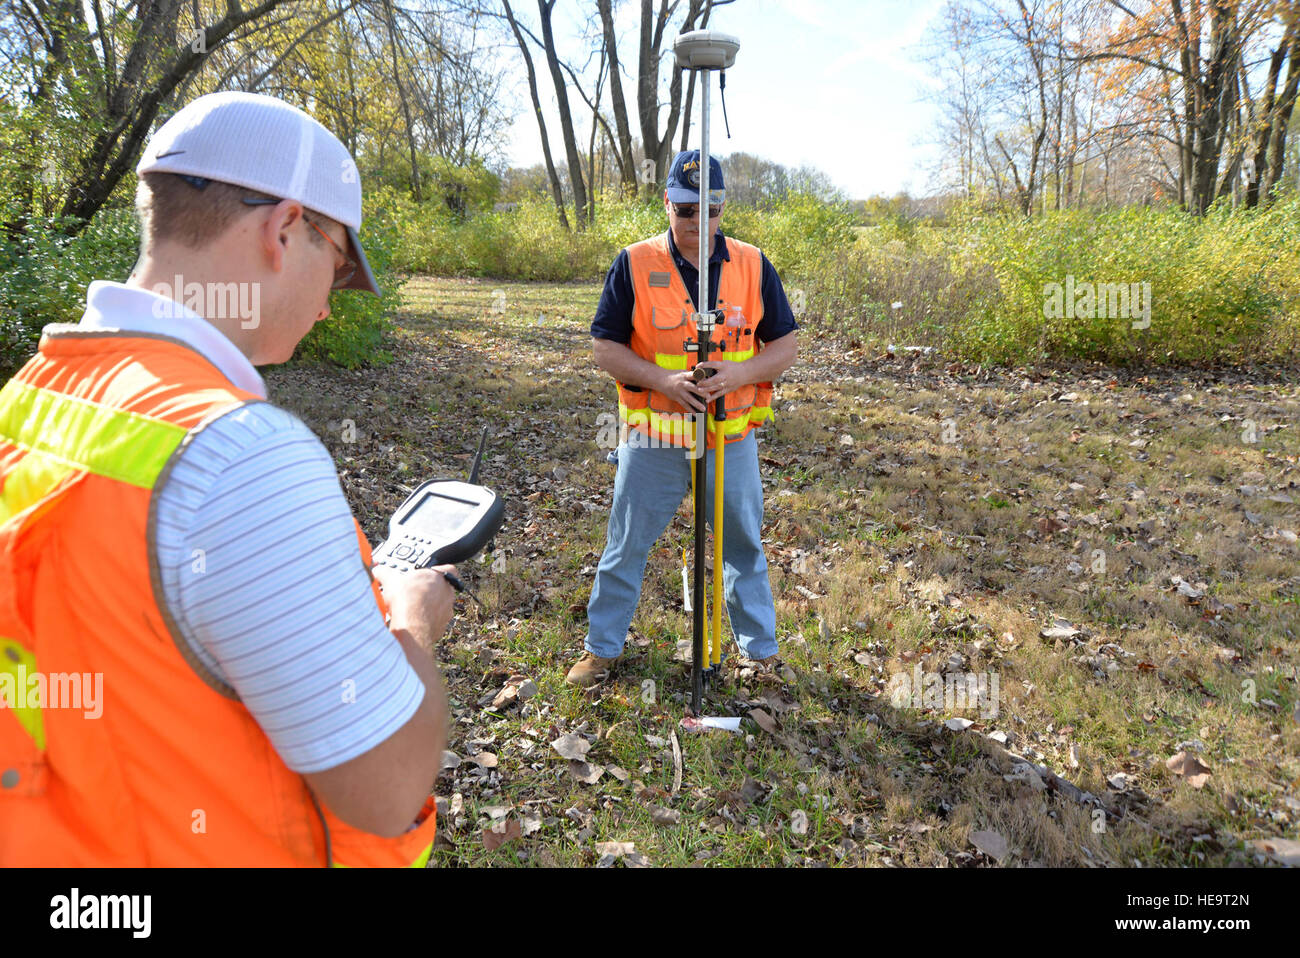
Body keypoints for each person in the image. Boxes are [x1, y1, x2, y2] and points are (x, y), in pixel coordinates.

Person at [0, 92, 455, 866]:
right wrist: (413, 625)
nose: (326, 309)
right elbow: (384, 790)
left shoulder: (34, 395)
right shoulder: (239, 454)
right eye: (340, 269)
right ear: (285, 229)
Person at [567, 150, 799, 688]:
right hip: (654, 440)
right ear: (667, 201)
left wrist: (738, 374)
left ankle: (760, 652)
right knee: (626, 542)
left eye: (712, 209)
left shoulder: (753, 263)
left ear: (723, 207)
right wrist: (663, 381)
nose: (699, 222)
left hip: (728, 438)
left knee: (744, 544)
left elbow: (784, 345)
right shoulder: (633, 262)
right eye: (687, 209)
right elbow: (605, 347)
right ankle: (601, 649)